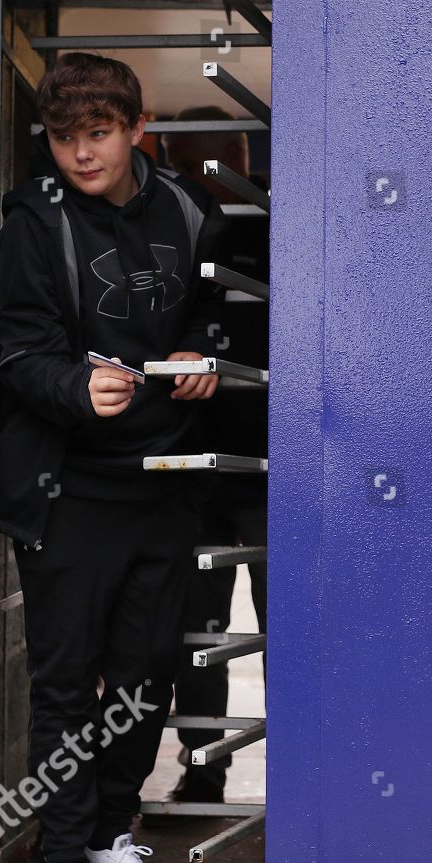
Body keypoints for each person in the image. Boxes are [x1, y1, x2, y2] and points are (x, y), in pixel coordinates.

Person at [0, 52, 224, 863]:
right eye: (67, 137)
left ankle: (116, 840)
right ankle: (65, 860)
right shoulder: (31, 218)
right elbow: (14, 353)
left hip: (167, 483)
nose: (82, 154)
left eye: (99, 134)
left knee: (149, 673)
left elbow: (214, 318)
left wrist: (202, 361)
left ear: (137, 128)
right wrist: (77, 386)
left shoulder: (194, 209)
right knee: (67, 682)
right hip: (68, 488)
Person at [143, 107, 269, 824]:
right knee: (201, 640)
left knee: (227, 636)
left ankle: (215, 779)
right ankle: (203, 777)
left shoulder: (273, 226)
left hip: (260, 469)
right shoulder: (174, 241)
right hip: (200, 469)